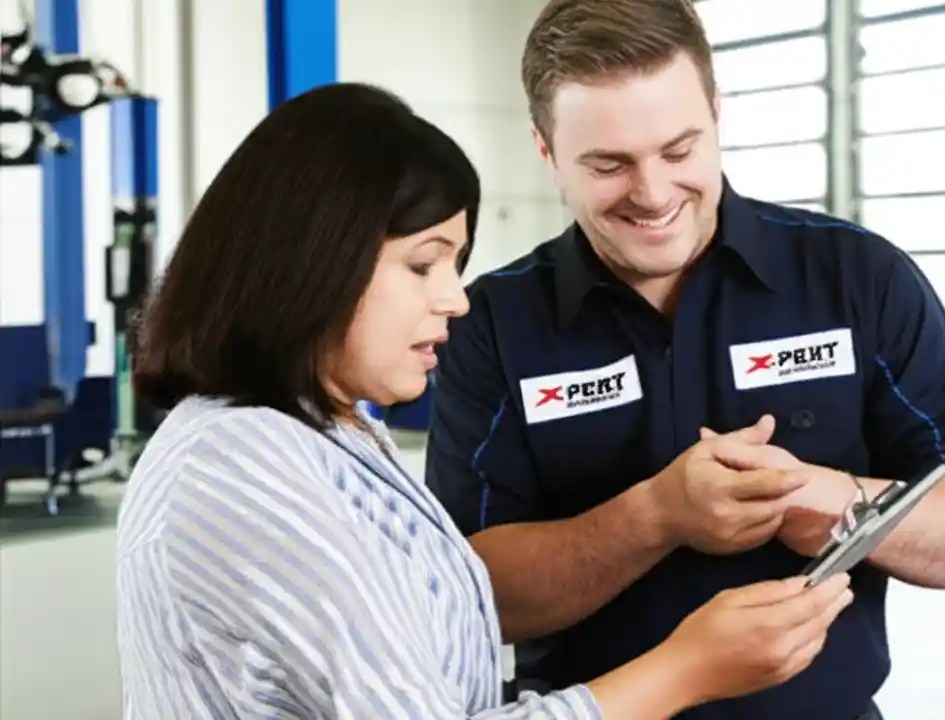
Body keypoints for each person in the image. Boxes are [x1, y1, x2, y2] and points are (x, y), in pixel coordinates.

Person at [113, 82, 855, 720]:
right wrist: (686, 668)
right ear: (310, 263)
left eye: (456, 264)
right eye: (423, 265)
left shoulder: (328, 438)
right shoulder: (238, 467)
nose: (455, 299)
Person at [424, 1, 945, 718]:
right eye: (609, 164)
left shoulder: (855, 278)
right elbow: (469, 596)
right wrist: (656, 517)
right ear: (546, 149)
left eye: (679, 150)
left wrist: (834, 503)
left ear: (716, 114)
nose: (653, 194)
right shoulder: (490, 326)